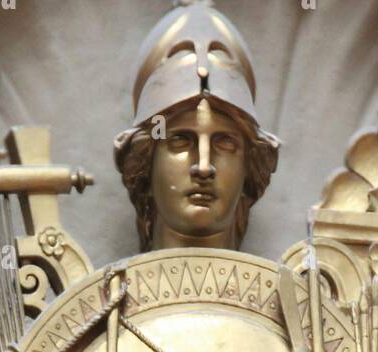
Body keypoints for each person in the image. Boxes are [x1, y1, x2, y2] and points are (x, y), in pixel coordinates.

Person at [114, 1, 279, 252]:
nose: (203, 167)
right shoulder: (111, 292)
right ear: (144, 169)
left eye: (225, 142)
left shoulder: (289, 292)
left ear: (249, 171)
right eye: (180, 140)